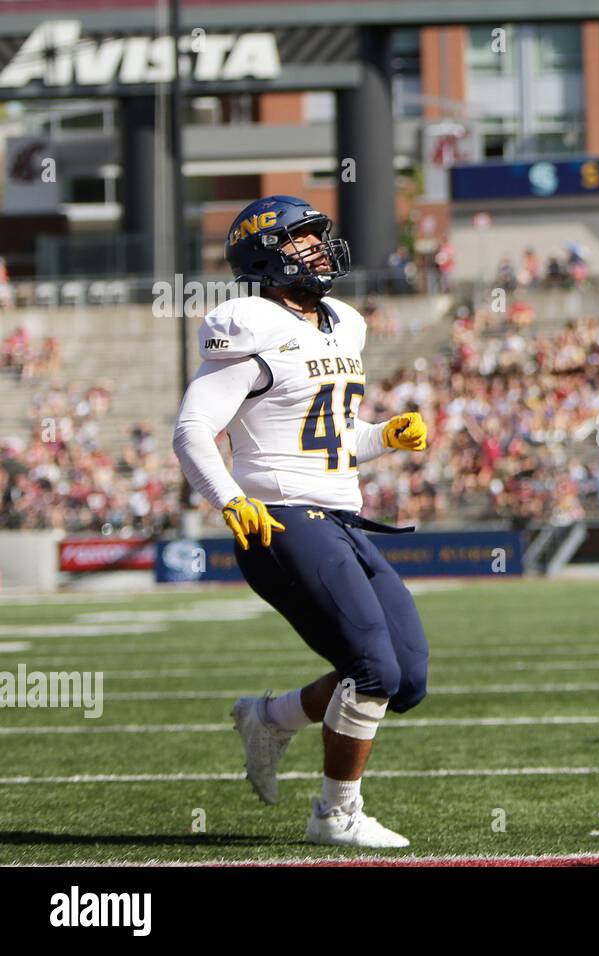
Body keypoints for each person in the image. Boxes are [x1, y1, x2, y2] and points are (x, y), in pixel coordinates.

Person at [172, 195, 431, 848]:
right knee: (371, 668)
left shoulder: (342, 322)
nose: (319, 249)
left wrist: (384, 437)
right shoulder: (250, 323)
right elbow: (194, 429)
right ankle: (335, 815)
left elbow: (335, 437)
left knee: (406, 678)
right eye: (302, 241)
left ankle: (272, 717)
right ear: (265, 253)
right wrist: (231, 499)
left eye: (319, 238)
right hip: (282, 518)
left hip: (342, 514)